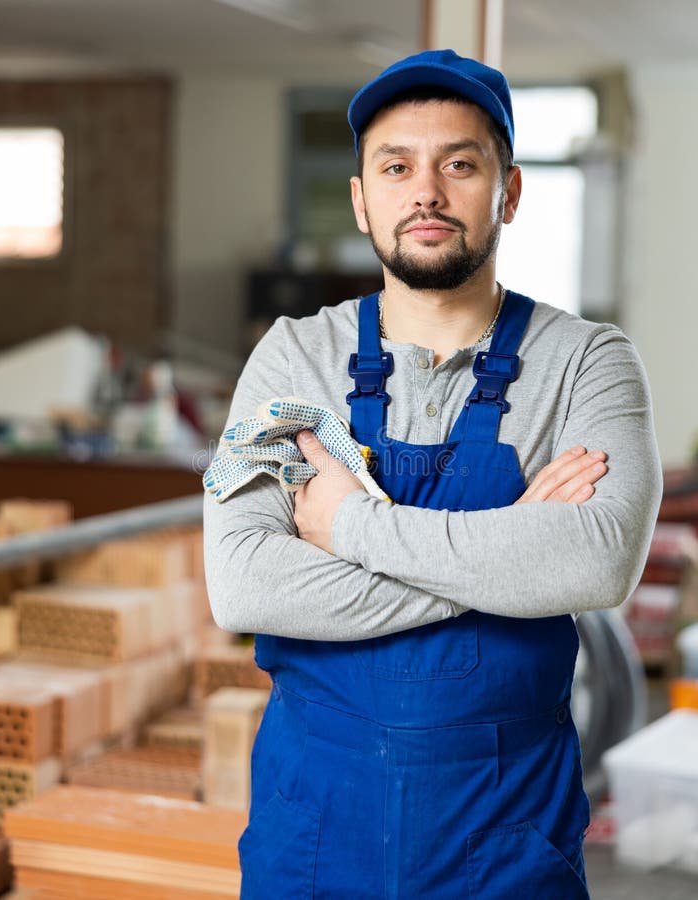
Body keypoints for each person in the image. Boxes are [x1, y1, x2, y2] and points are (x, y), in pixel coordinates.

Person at [204, 48, 661, 899]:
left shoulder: (588, 362)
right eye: (395, 167)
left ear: (508, 192)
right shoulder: (291, 358)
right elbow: (243, 585)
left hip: (506, 846)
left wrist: (351, 527)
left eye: (458, 164)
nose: (425, 192)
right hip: (313, 840)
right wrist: (510, 554)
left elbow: (596, 563)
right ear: (361, 198)